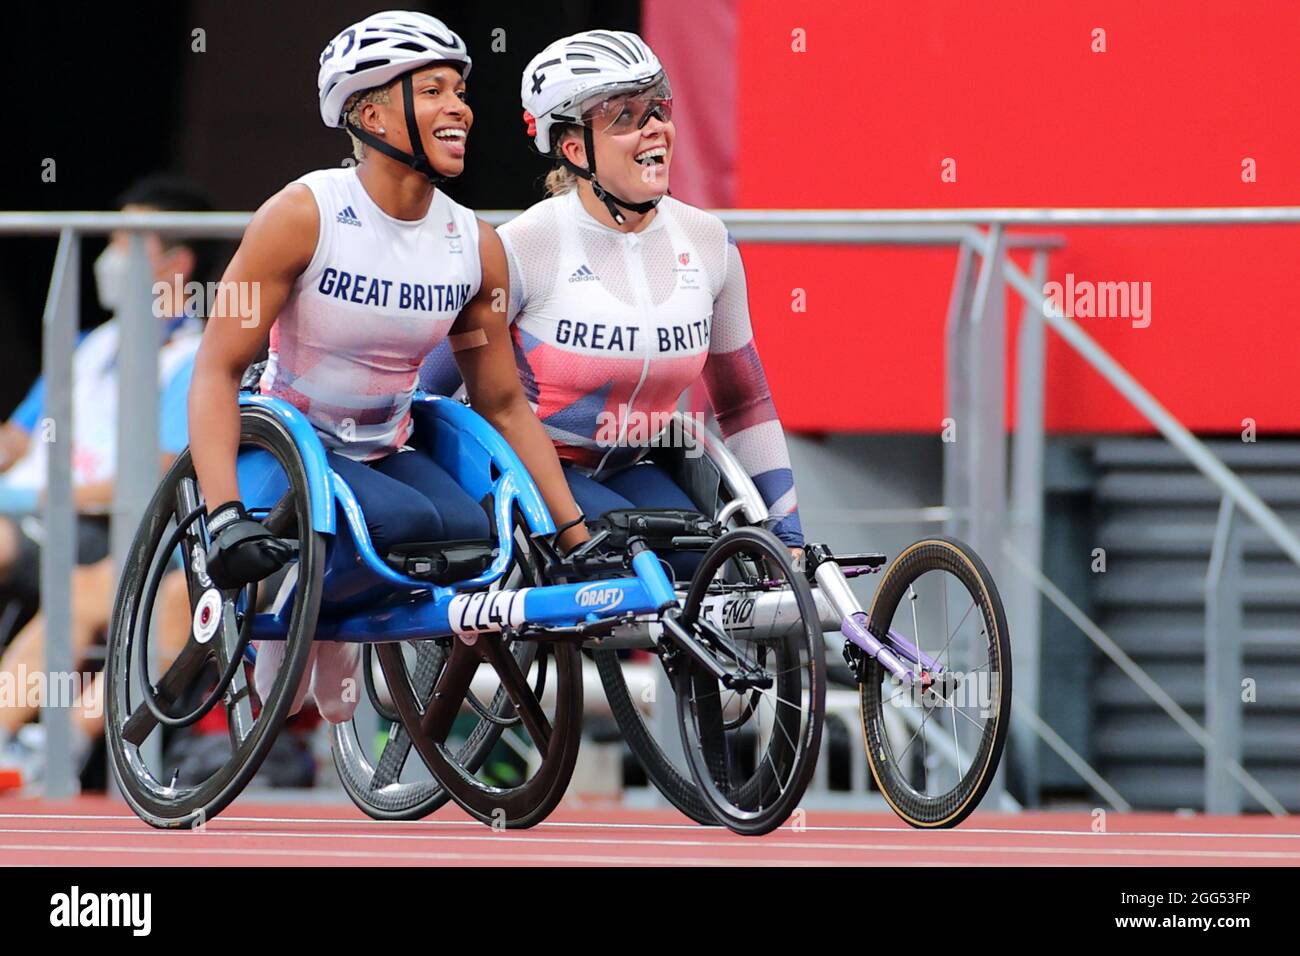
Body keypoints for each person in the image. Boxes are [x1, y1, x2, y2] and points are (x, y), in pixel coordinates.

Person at [187, 11, 587, 725]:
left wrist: (573, 535)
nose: (459, 107)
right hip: (283, 452)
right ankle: (297, 606)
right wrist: (221, 518)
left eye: (460, 90)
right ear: (370, 111)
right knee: (404, 520)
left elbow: (501, 403)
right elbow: (216, 370)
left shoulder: (476, 244)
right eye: (433, 90)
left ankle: (336, 605)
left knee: (472, 534)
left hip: (382, 450)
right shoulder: (303, 215)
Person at [420, 30, 803, 575]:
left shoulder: (709, 241)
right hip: (536, 473)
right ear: (575, 148)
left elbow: (744, 403)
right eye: (624, 115)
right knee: (643, 571)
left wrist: (785, 526)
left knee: (711, 576)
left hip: (633, 464)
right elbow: (430, 387)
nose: (653, 128)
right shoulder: (523, 247)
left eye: (658, 108)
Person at [0, 174, 212, 778]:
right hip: (35, 511)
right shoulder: (88, 345)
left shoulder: (192, 356)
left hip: (102, 525)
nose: (106, 258)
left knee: (80, 582)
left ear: (177, 264)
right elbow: (17, 437)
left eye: (125, 242)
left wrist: (49, 496)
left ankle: (32, 744)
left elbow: (163, 474)